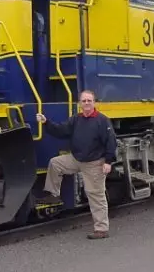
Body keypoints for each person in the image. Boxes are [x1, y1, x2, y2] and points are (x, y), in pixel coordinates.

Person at [36, 90, 117, 239]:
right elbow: (61, 130)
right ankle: (54, 195)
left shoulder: (102, 120)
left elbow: (111, 142)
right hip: (76, 159)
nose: (86, 103)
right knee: (55, 163)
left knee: (96, 195)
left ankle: (101, 229)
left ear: (94, 103)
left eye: (89, 101)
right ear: (80, 104)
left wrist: (108, 161)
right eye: (84, 101)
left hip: (94, 163)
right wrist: (46, 122)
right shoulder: (76, 119)